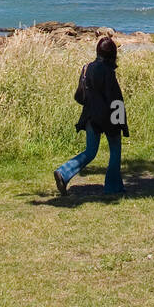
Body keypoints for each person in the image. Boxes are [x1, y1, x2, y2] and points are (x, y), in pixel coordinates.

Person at [54, 35, 129, 196]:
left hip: (90, 115)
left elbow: (80, 96)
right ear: (112, 54)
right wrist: (121, 122)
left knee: (90, 151)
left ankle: (63, 172)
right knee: (115, 149)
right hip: (109, 117)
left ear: (98, 51)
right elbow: (114, 99)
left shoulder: (86, 67)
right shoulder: (108, 72)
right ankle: (113, 186)